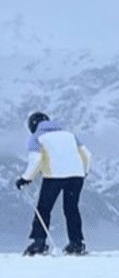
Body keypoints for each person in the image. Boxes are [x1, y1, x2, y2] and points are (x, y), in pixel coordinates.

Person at [17, 110, 90, 256]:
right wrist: (84, 171)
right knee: (71, 209)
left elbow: (35, 161)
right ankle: (76, 244)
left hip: (54, 176)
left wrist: (26, 178)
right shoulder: (70, 135)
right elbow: (87, 154)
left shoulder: (37, 137)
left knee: (43, 208)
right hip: (76, 175)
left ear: (32, 125)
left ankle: (39, 243)